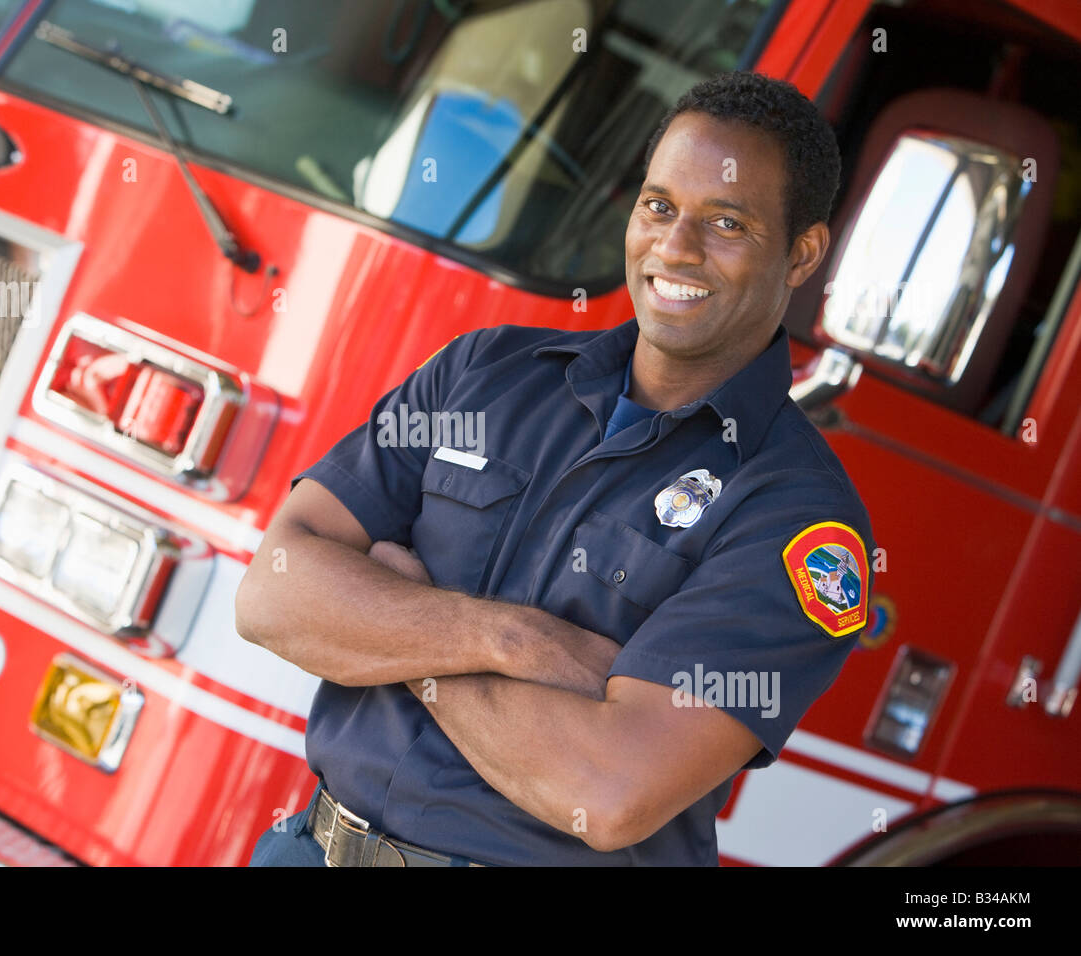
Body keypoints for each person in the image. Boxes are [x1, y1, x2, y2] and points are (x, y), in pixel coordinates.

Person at [236, 70, 873, 866]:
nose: (675, 247)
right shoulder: (485, 370)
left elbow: (608, 792)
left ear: (802, 253)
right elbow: (273, 592)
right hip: (312, 848)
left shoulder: (796, 518)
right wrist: (508, 638)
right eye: (660, 206)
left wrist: (403, 625)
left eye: (728, 223)